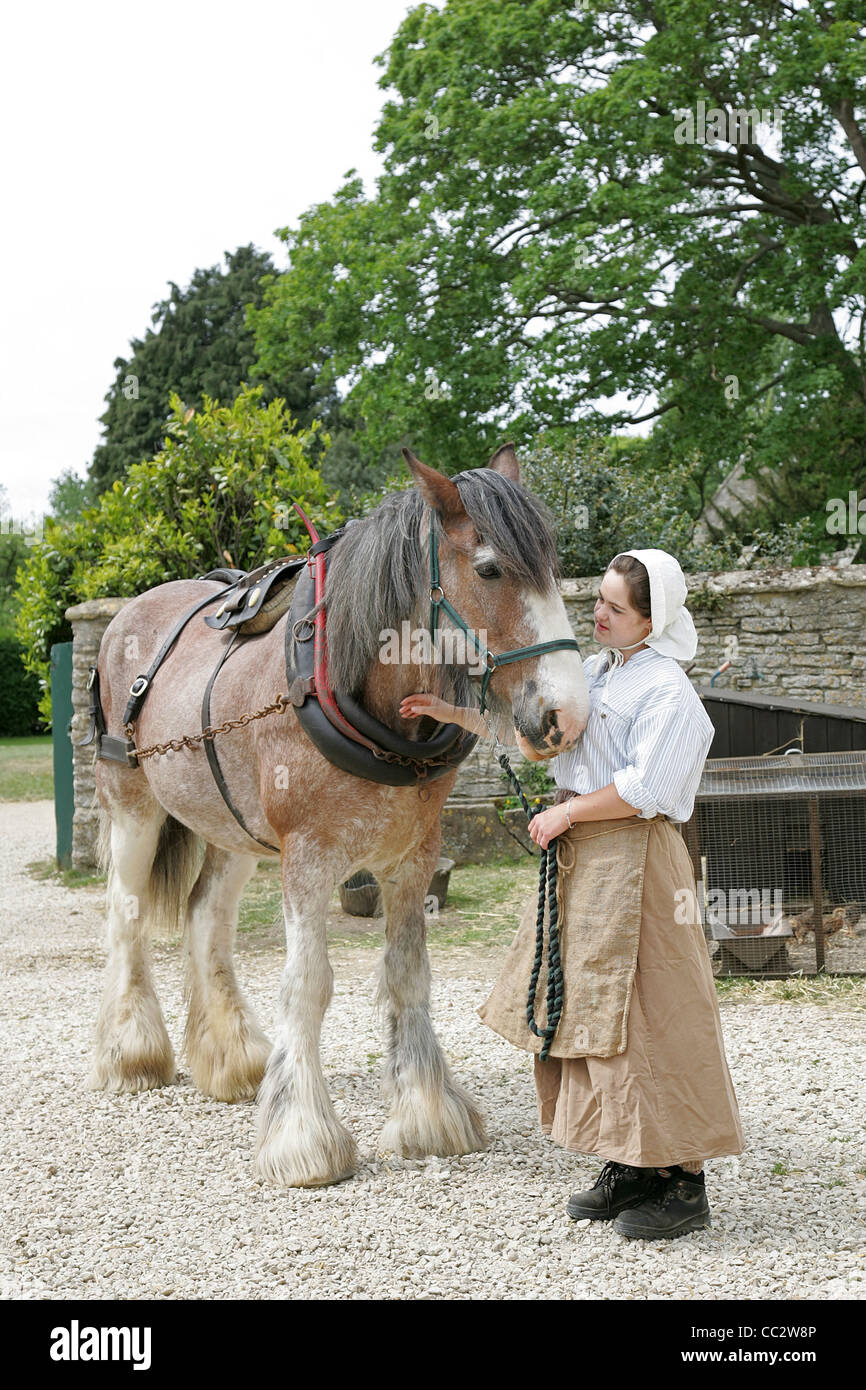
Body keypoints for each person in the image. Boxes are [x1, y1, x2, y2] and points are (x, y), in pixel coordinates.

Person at [399, 548, 744, 1240]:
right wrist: (450, 712)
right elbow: (538, 737)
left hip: (639, 865)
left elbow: (649, 789)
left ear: (653, 620)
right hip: (585, 865)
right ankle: (629, 1162)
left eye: (616, 607)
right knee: (588, 1013)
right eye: (601, 601)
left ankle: (684, 1184)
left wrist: (564, 814)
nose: (600, 613)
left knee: (653, 1016)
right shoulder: (591, 673)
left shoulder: (669, 695)